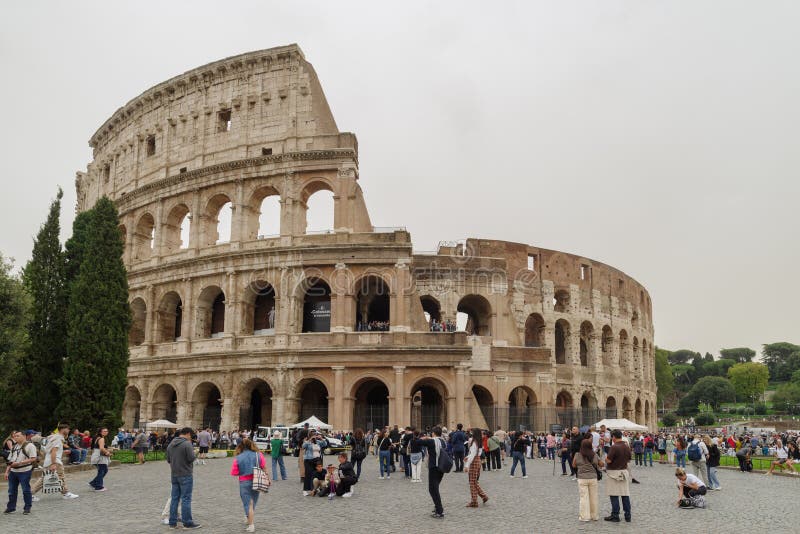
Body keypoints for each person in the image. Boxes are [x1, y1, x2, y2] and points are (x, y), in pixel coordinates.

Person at [31, 424, 79, 500]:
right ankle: (65, 493)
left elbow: (50, 450)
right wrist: (53, 464)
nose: (69, 430)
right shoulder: (58, 438)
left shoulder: (53, 437)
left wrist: (63, 452)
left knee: (44, 479)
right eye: (68, 429)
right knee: (60, 477)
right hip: (54, 461)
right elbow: (53, 451)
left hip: (49, 461)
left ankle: (30, 494)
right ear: (63, 429)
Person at [166, 427, 200, 529]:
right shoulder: (187, 444)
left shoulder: (171, 444)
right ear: (188, 434)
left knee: (174, 499)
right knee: (186, 499)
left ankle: (172, 522)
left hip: (174, 474)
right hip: (185, 474)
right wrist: (195, 453)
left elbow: (168, 460)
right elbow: (191, 458)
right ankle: (188, 523)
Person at [230, 438, 267, 533]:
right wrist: (268, 478)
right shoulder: (259, 455)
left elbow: (234, 472)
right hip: (257, 480)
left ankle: (251, 524)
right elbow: (264, 467)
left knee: (248, 504)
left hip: (244, 482)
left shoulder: (238, 457)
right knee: (253, 503)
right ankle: (248, 518)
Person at [4, 430, 38, 515]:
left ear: (24, 436)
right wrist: (7, 471)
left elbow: (33, 458)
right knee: (11, 491)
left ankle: (27, 508)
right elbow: (10, 460)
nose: (15, 437)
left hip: (24, 471)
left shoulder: (30, 445)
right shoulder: (14, 447)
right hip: (13, 471)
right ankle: (11, 508)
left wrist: (20, 463)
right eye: (14, 436)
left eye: (17, 436)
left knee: (25, 490)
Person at [418, 426, 448, 518]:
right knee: (436, 488)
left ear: (433, 433)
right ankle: (437, 507)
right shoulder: (443, 441)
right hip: (441, 467)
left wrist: (424, 437)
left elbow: (418, 442)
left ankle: (440, 511)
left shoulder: (431, 441)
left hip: (433, 467)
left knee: (433, 489)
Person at [604, 430, 632, 523]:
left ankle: (615, 515)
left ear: (614, 437)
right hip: (624, 472)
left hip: (614, 473)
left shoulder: (614, 447)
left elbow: (608, 460)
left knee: (614, 494)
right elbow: (629, 459)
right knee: (625, 494)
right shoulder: (626, 446)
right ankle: (628, 515)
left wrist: (605, 458)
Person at [573, 437, 603, 522]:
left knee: (584, 498)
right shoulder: (594, 454)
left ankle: (585, 517)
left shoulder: (577, 455)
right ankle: (594, 516)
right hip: (593, 478)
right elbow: (601, 464)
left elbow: (574, 465)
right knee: (594, 497)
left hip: (582, 478)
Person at [463, 428, 488, 508]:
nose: (471, 433)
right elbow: (478, 453)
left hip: (474, 462)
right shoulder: (479, 441)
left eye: (472, 432)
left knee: (472, 482)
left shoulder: (474, 442)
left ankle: (474, 501)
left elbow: (473, 454)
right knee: (474, 482)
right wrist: (468, 456)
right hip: (478, 461)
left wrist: (467, 465)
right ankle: (483, 496)